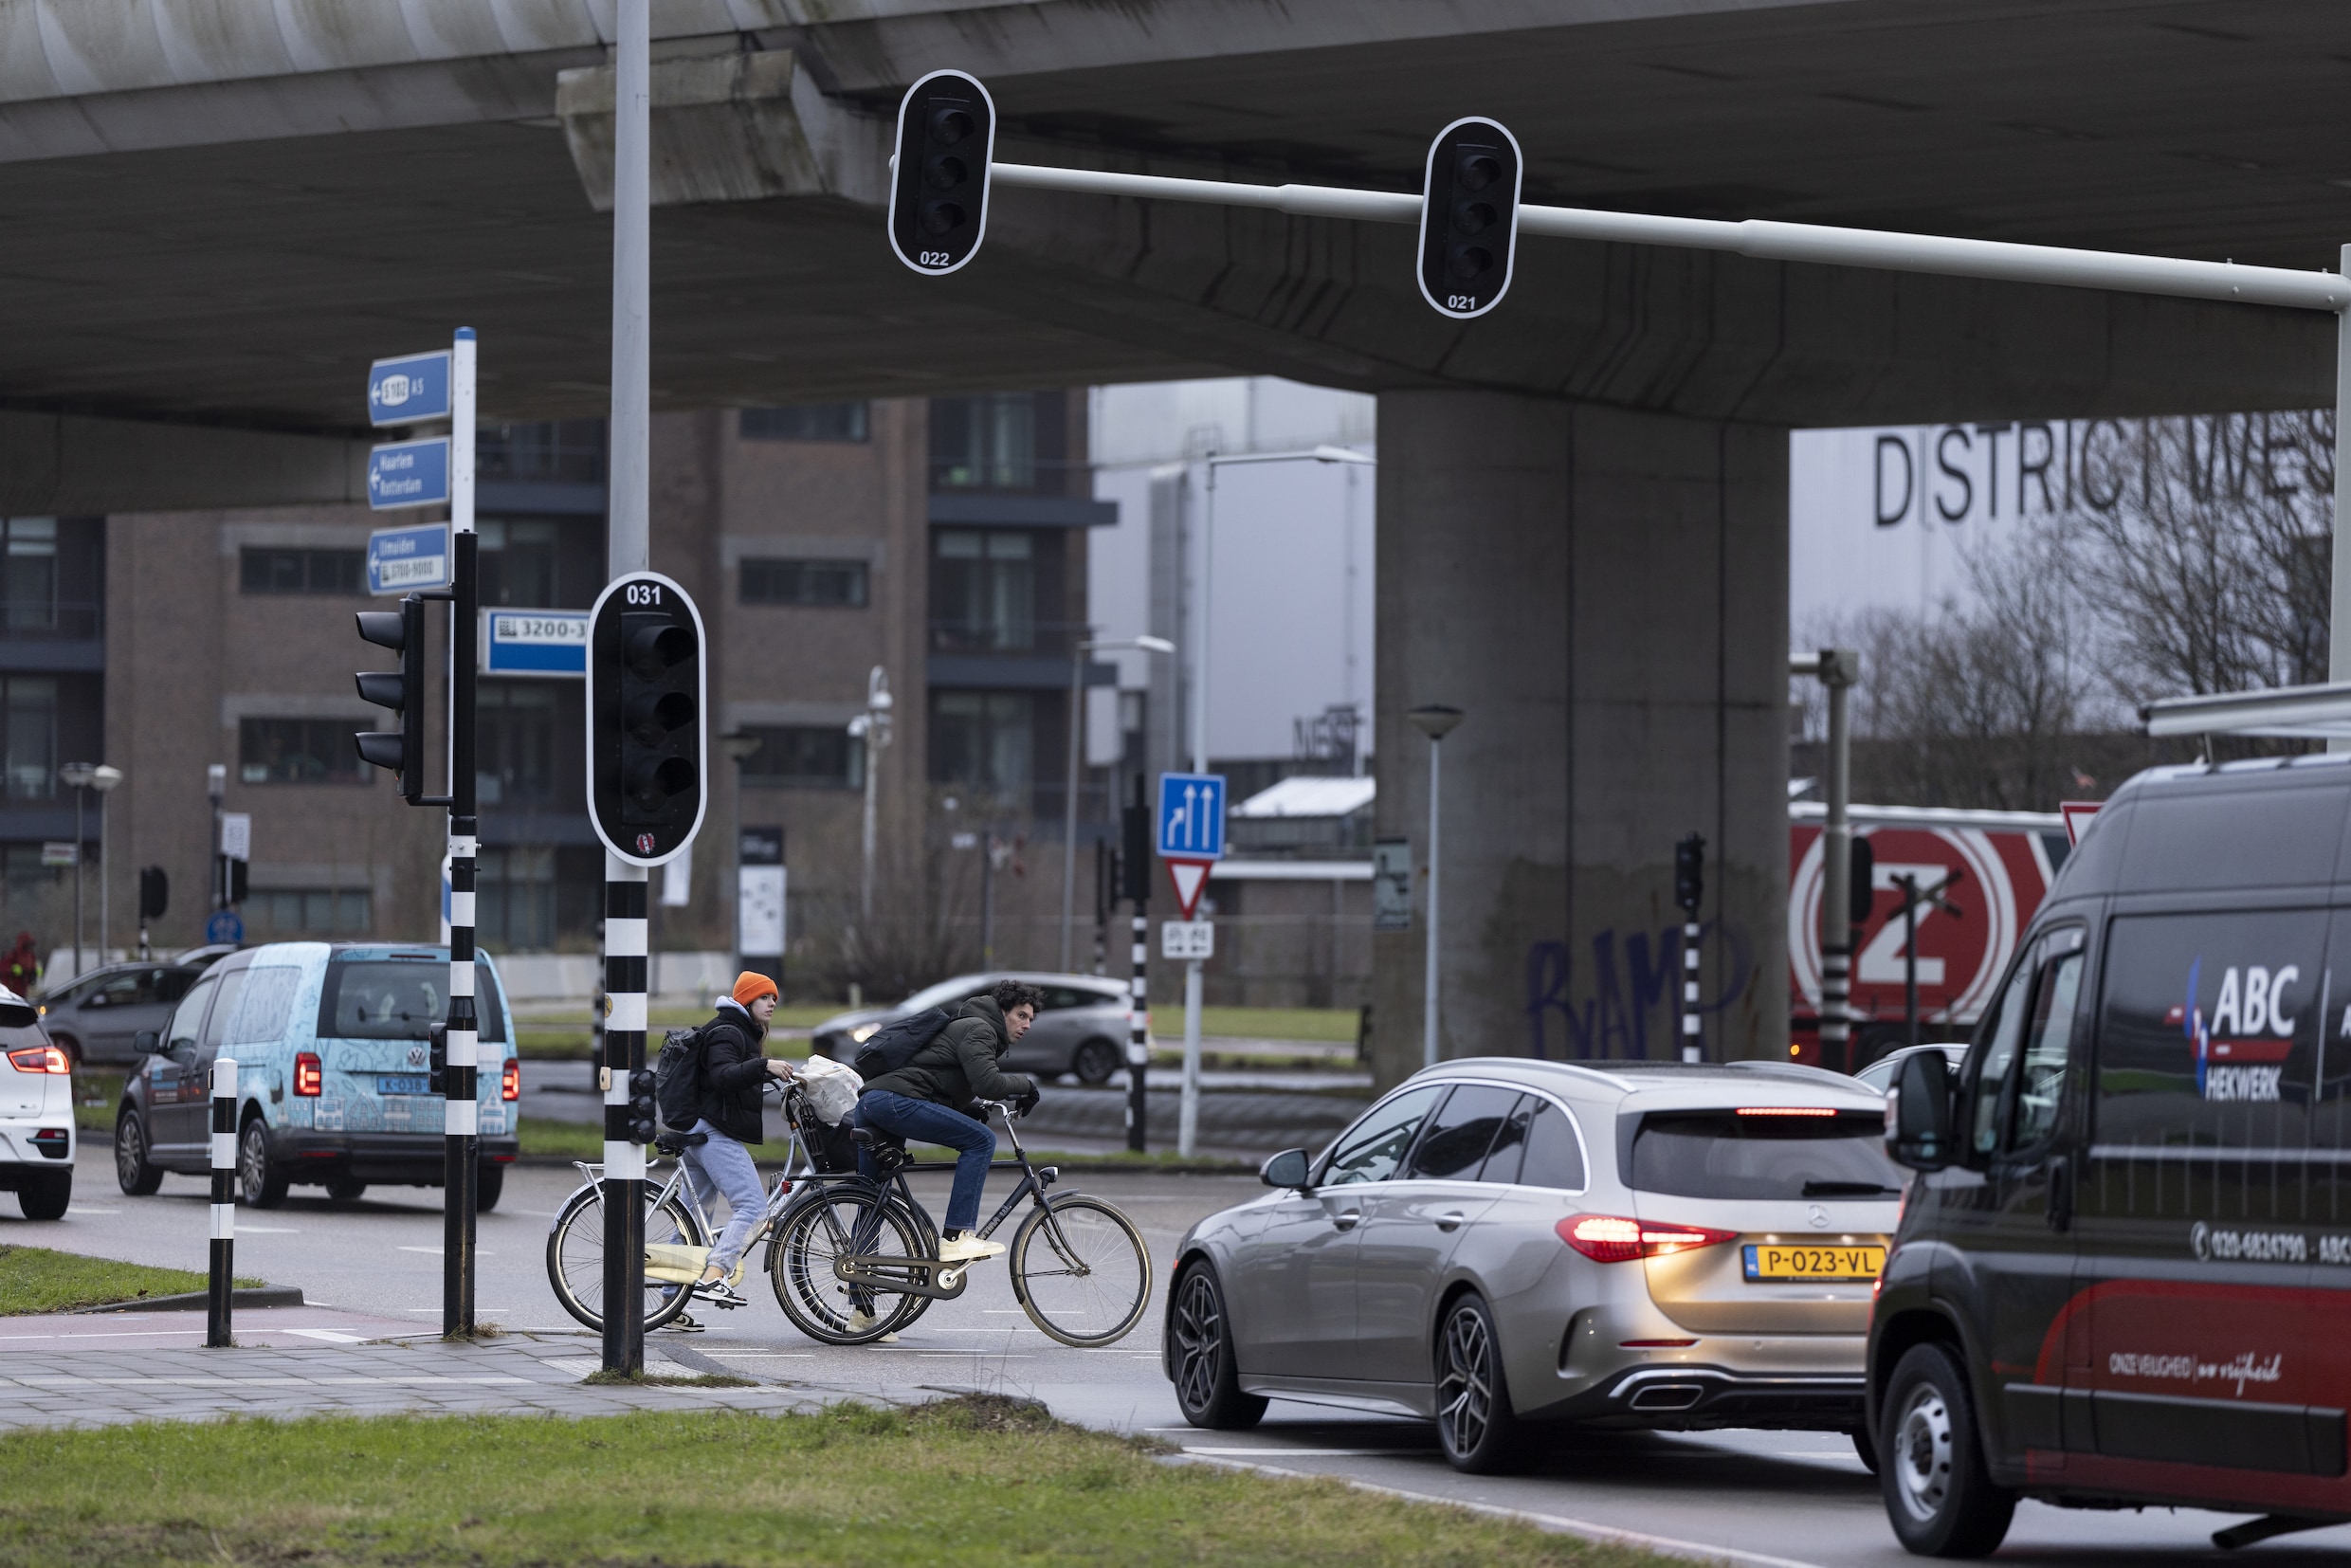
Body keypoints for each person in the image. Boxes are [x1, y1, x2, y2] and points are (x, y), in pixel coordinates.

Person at [854, 978, 1043, 1264]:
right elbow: (988, 1084)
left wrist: (965, 1110)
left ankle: (859, 1288)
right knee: (981, 1140)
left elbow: (932, 1080)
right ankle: (956, 1238)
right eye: (1021, 1015)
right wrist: (1026, 1085)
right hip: (894, 1102)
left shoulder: (968, 1026)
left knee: (871, 1201)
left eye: (1030, 1019)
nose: (1027, 1025)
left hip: (874, 1103)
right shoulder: (980, 1029)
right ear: (1002, 1010)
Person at [680, 971, 793, 1304]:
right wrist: (764, 1066)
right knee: (754, 1208)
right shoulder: (728, 1032)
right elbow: (723, 1076)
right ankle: (714, 1276)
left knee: (691, 1221)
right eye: (764, 997)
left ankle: (671, 1301)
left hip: (699, 1128)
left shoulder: (739, 1030)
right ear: (746, 1000)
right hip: (712, 1132)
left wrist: (767, 1074)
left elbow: (734, 1076)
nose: (772, 1003)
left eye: (774, 998)